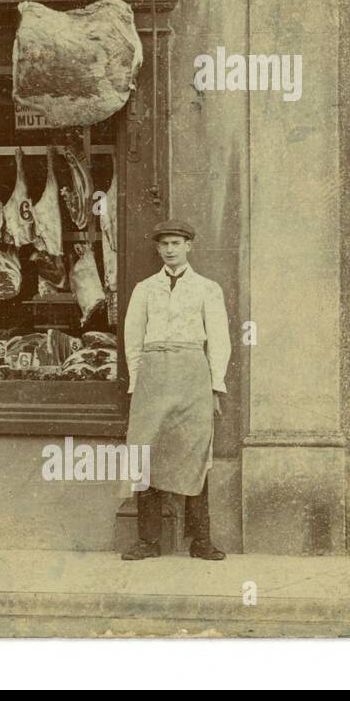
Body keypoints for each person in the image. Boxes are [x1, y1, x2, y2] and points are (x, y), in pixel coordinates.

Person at [120, 220, 231, 561]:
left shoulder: (207, 288)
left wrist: (214, 385)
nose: (170, 249)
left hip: (191, 375)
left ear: (189, 246)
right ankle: (148, 542)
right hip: (153, 376)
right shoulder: (145, 289)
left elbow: (220, 339)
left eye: (176, 243)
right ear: (157, 249)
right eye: (164, 243)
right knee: (145, 452)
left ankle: (200, 541)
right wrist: (138, 383)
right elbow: (133, 339)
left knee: (195, 454)